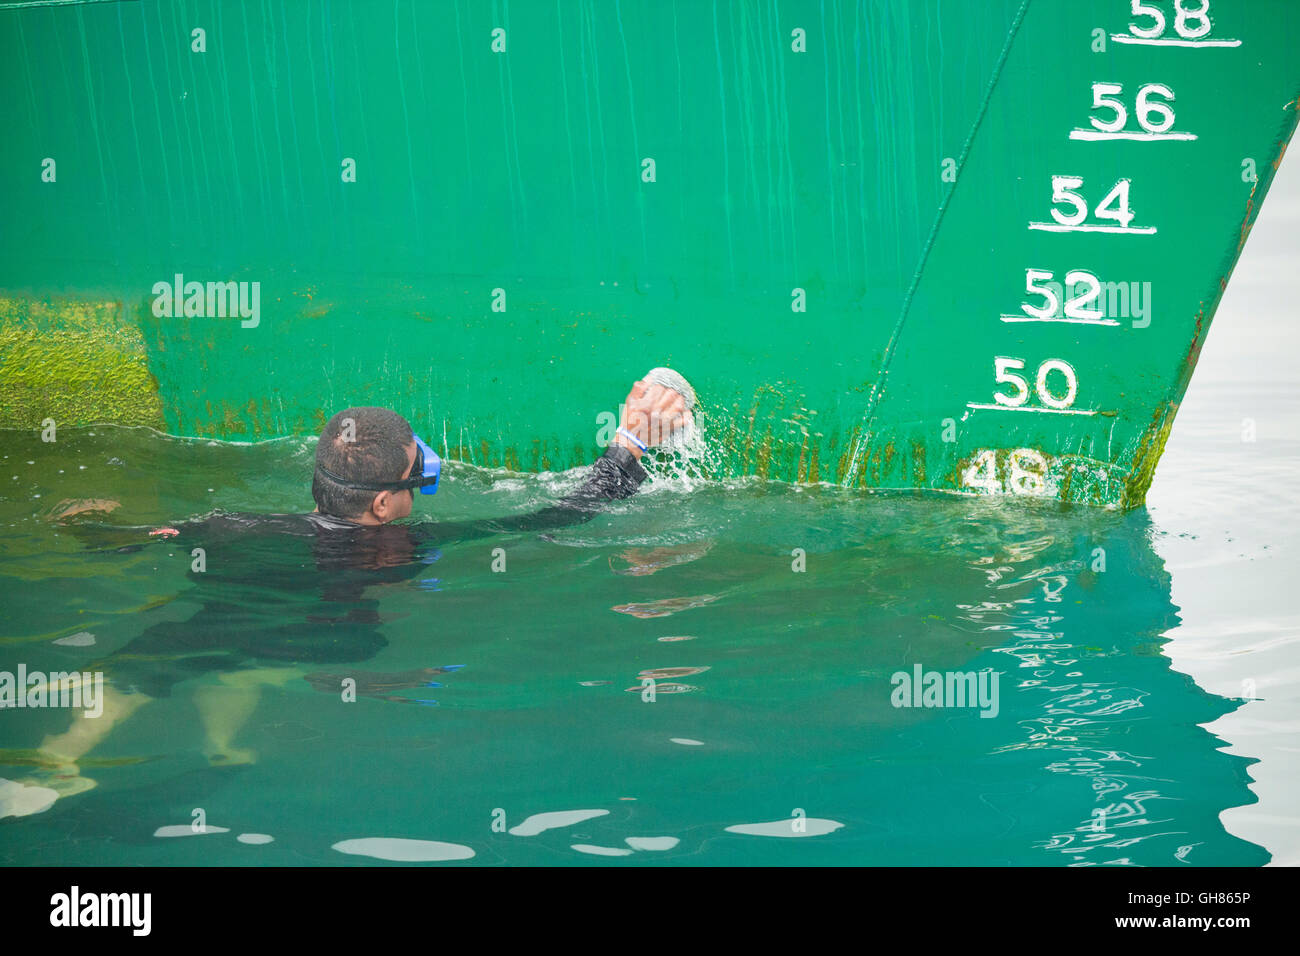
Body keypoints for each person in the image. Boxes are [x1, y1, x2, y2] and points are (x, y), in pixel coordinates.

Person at [2, 378, 690, 818]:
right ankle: (220, 745)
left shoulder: (225, 526)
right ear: (387, 504)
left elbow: (130, 537)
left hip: (220, 622)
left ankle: (61, 760)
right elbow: (557, 520)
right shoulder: (401, 550)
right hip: (332, 644)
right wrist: (629, 445)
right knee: (279, 652)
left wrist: (85, 522)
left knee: (167, 650)